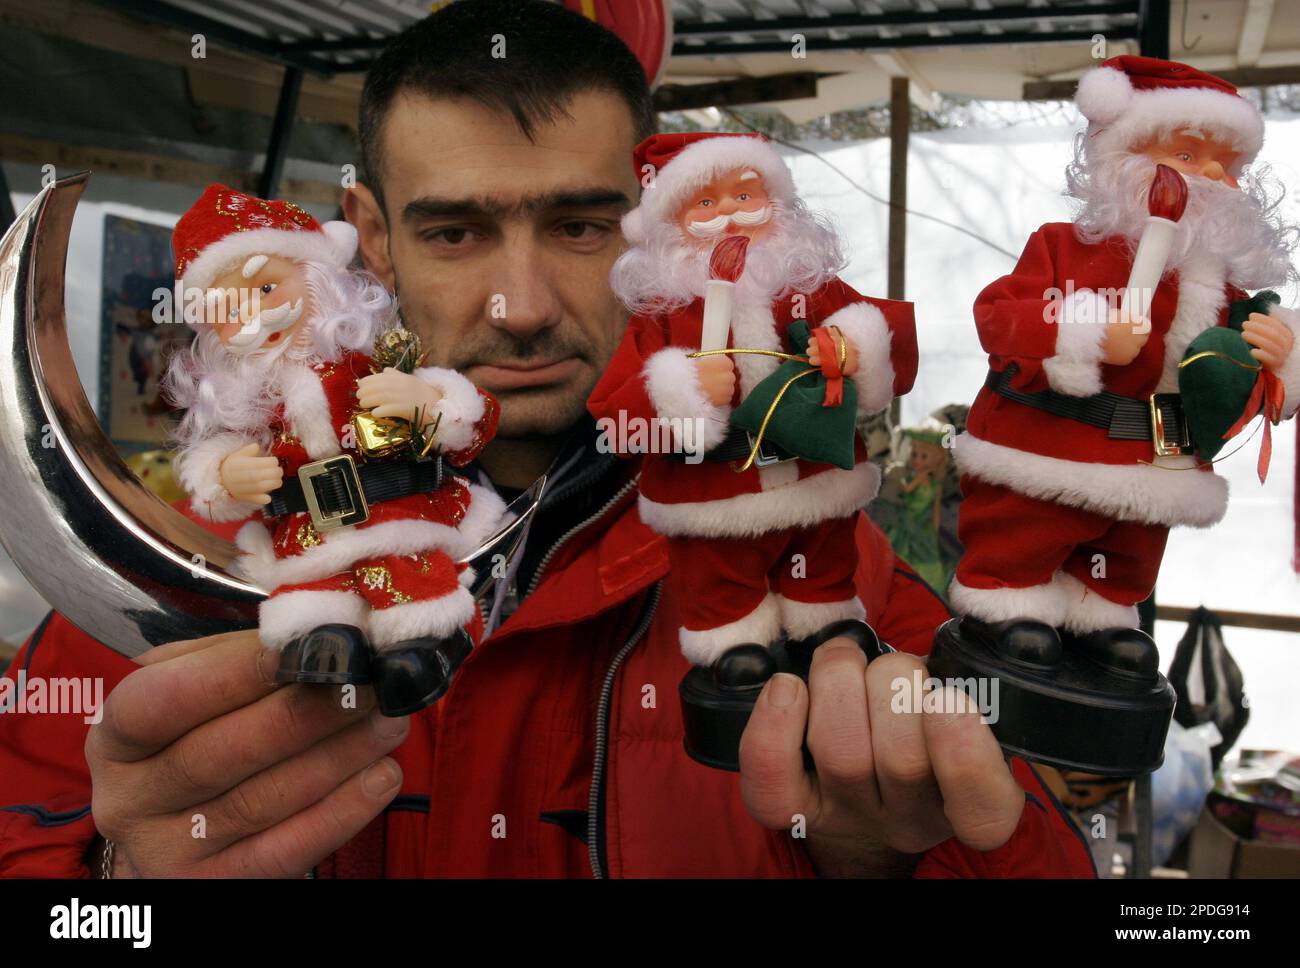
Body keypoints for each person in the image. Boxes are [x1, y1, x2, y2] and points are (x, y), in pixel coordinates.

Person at [0, 0, 1091, 878]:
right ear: (371, 234)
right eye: (455, 229)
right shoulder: (207, 566)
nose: (521, 303)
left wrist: (879, 857)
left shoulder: (806, 563)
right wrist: (121, 880)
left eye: (578, 226)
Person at [950, 56, 1300, 673]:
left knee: (1126, 551)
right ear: (1125, 159)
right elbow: (998, 318)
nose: (1214, 176)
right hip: (1052, 447)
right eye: (1188, 156)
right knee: (1028, 532)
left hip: (1158, 458)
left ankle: (1101, 612)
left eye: (1226, 163)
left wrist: (1278, 358)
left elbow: (1234, 377)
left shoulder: (1223, 289)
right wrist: (1082, 333)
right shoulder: (1061, 247)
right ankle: (1007, 605)